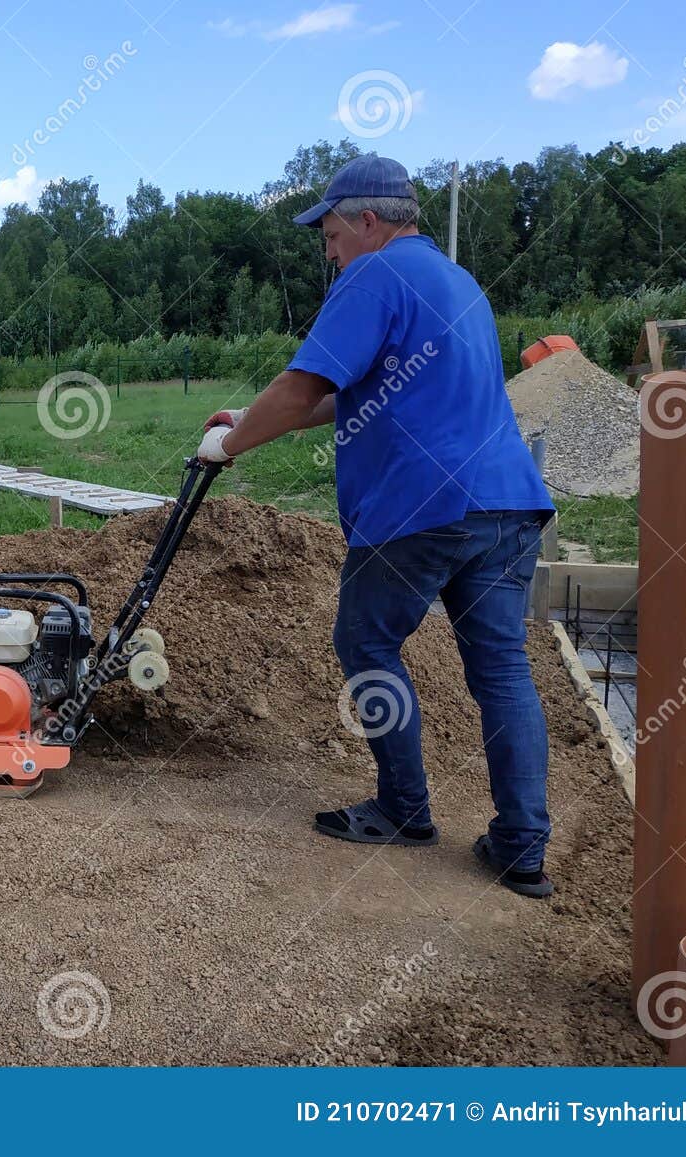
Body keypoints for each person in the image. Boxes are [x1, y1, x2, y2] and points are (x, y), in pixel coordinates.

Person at [196, 155, 557, 898]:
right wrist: (246, 419)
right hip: (508, 502)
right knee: (501, 671)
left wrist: (226, 447)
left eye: (329, 234)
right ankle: (522, 846)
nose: (328, 251)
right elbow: (359, 389)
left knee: (363, 640)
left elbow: (301, 388)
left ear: (366, 220)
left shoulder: (373, 276)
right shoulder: (458, 284)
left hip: (421, 505)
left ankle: (402, 807)